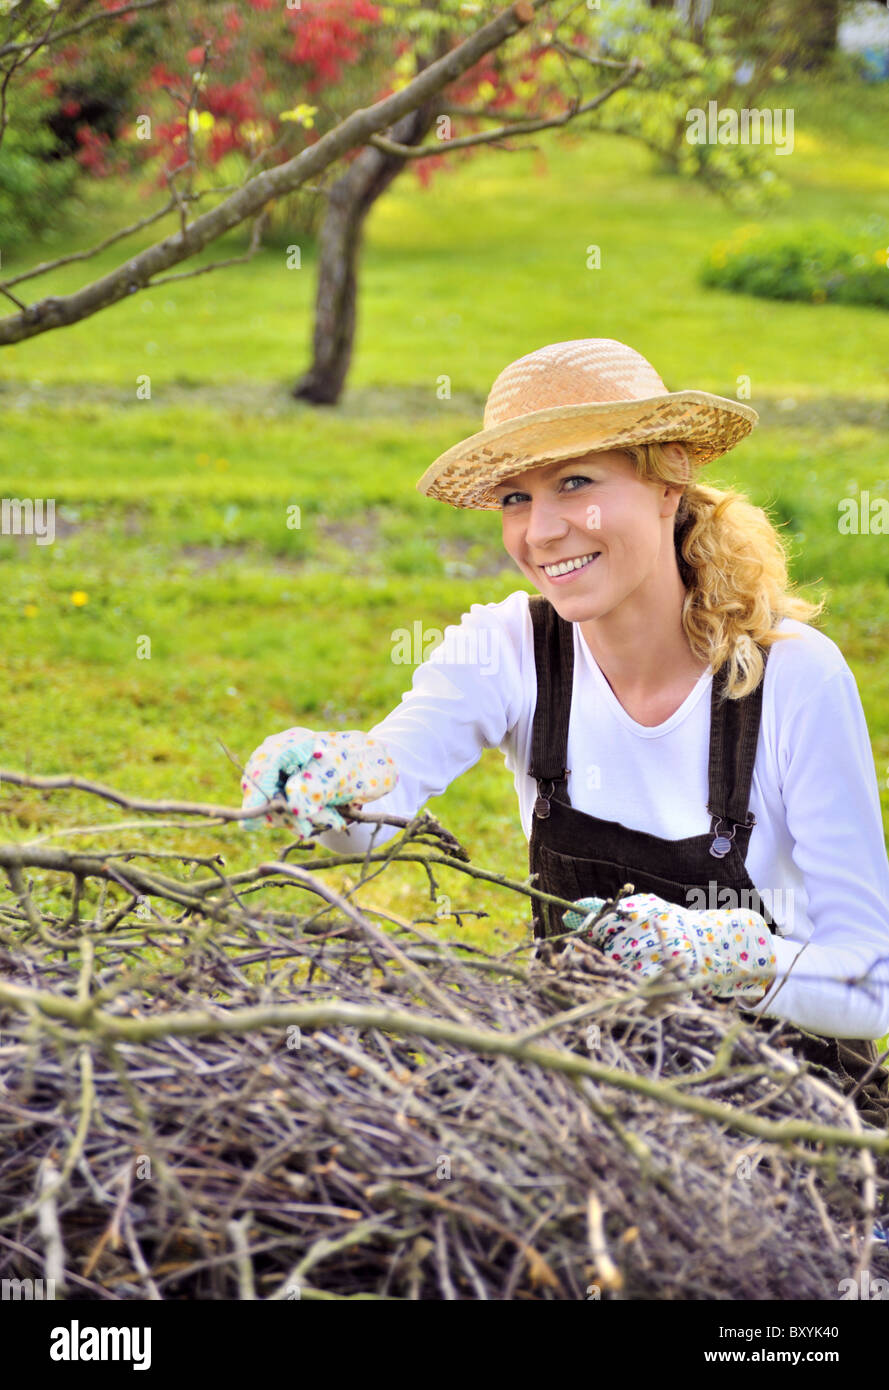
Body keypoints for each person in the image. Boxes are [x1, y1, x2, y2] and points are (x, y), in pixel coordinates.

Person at [240, 338, 889, 1130]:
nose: (541, 531)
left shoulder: (794, 680)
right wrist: (332, 777)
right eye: (515, 497)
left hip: (790, 1131)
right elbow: (382, 801)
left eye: (574, 483)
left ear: (667, 476)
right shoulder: (508, 649)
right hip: (587, 1124)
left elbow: (872, 983)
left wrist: (726, 956)